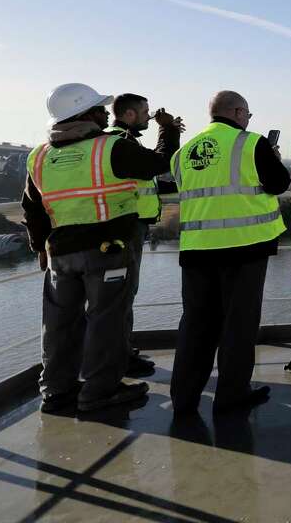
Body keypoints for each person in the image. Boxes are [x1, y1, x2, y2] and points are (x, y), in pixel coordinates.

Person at [22, 82, 180, 413]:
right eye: (99, 109)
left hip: (60, 254)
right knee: (106, 321)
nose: (105, 113)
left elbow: (32, 207)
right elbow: (159, 163)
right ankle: (99, 392)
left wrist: (39, 246)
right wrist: (168, 131)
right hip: (108, 250)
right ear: (87, 114)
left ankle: (56, 392)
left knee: (59, 326)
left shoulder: (39, 156)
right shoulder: (111, 148)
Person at [169, 90, 290, 415]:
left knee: (195, 327)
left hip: (196, 252)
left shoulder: (182, 153)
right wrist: (273, 158)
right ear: (237, 112)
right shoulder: (252, 143)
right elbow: (280, 183)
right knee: (238, 326)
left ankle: (183, 399)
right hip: (244, 249)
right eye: (247, 114)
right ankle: (231, 396)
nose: (249, 120)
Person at [108, 92, 184, 379]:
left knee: (122, 295)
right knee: (122, 295)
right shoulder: (121, 142)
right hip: (126, 227)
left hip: (127, 226)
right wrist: (169, 130)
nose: (149, 117)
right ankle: (120, 358)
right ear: (129, 115)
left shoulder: (123, 142)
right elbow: (159, 162)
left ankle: (121, 352)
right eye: (145, 112)